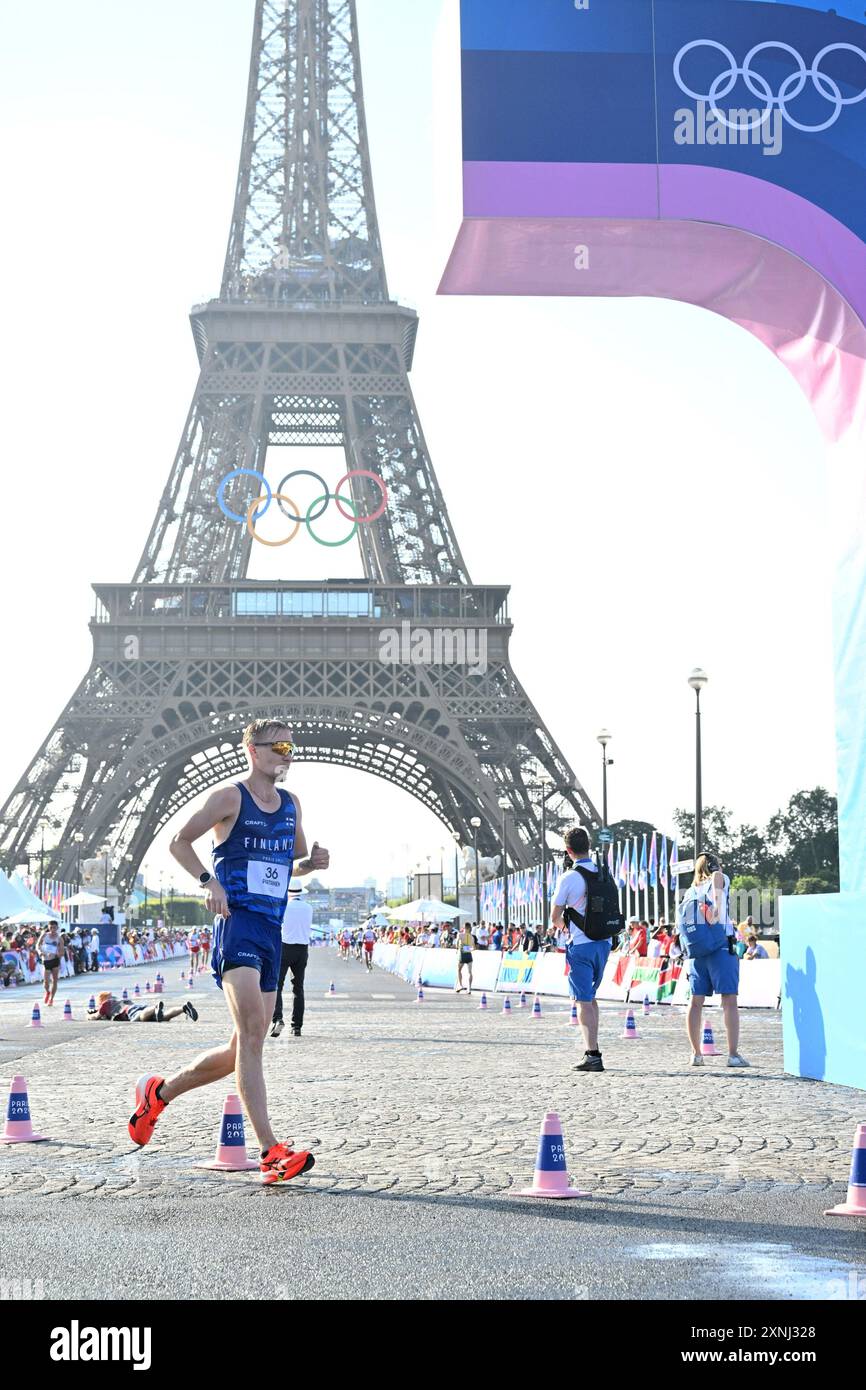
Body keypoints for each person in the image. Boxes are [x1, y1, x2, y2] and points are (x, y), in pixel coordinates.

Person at [127, 718, 330, 1184]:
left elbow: (289, 864)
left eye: (290, 747)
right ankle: (270, 1151)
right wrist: (208, 881)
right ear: (252, 751)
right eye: (278, 746)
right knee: (256, 1033)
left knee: (243, 1044)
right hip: (235, 924)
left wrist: (312, 863)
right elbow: (179, 841)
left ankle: (158, 1093)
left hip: (270, 930)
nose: (287, 753)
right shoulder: (228, 798)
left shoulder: (291, 805)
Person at [679, 852, 749, 1069]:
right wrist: (717, 911)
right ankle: (733, 1054)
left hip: (697, 951)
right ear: (713, 865)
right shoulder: (719, 877)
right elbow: (717, 907)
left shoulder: (690, 890)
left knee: (695, 1001)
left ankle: (696, 1054)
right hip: (720, 946)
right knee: (729, 1000)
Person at [551, 826, 610, 1073]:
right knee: (591, 996)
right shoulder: (604, 872)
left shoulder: (569, 877)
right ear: (588, 845)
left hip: (582, 944)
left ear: (568, 850)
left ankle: (592, 1054)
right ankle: (593, 1046)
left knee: (582, 1000)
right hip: (604, 943)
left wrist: (568, 928)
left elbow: (555, 916)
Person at [271, 883, 314, 1037]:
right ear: (301, 893)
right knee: (298, 989)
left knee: (277, 986)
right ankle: (297, 1027)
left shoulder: (283, 906)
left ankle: (278, 1018)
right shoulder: (308, 908)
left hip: (284, 947)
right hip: (302, 949)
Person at [90, 992, 198, 1024]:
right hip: (137, 1006)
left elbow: (95, 1017)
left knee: (140, 1017)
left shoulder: (106, 1004)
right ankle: (183, 1008)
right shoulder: (121, 1000)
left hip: (129, 1011)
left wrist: (90, 1014)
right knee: (165, 1017)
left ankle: (155, 1007)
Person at [36, 921, 64, 1006]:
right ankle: (48, 992)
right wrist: (40, 952)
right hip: (46, 960)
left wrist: (57, 954)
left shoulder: (59, 938)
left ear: (57, 928)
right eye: (51, 927)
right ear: (48, 927)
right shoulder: (44, 935)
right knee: (46, 983)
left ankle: (51, 999)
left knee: (55, 981)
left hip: (55, 960)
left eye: (54, 928)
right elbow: (37, 945)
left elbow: (62, 952)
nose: (52, 929)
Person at [455, 921, 474, 994]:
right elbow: (473, 948)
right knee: (470, 972)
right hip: (469, 954)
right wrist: (467, 948)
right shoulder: (471, 937)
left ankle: (460, 985)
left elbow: (457, 943)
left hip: (462, 954)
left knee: (459, 970)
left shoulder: (460, 934)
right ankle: (469, 988)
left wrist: (457, 949)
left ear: (464, 927)